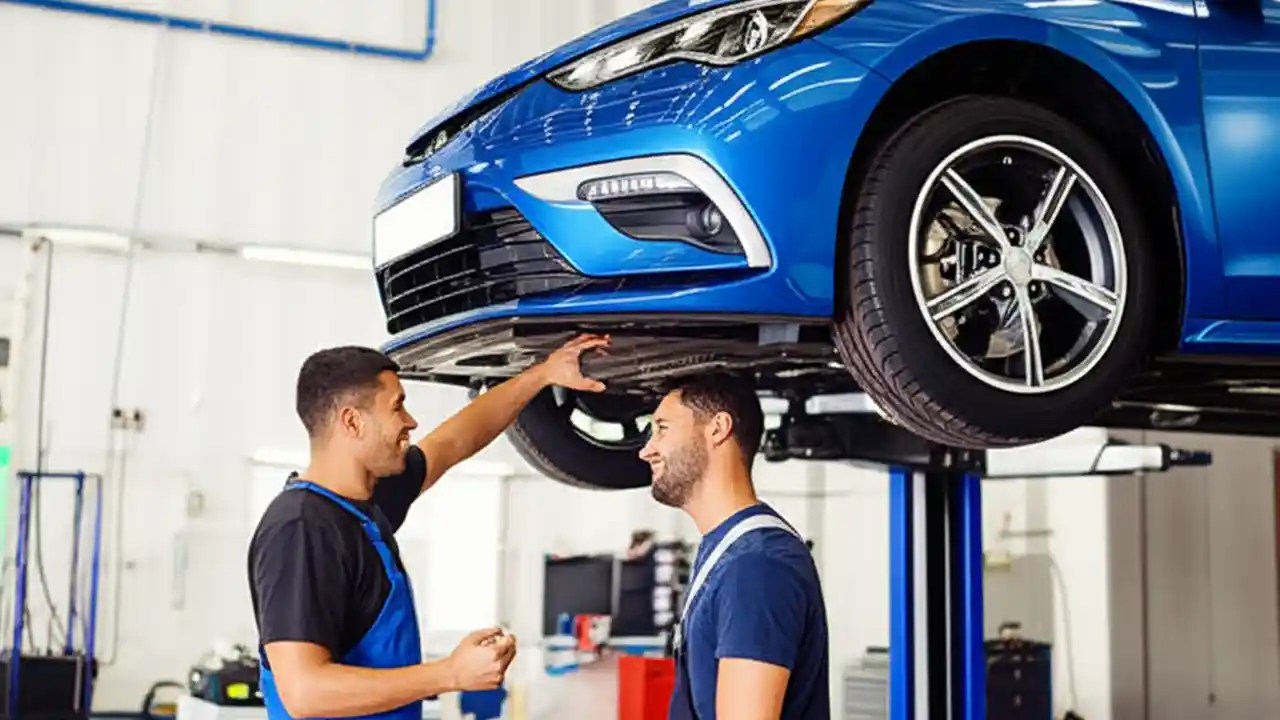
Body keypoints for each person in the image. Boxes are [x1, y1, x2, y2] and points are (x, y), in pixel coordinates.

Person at [247, 334, 610, 719]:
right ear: (352, 422)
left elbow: (454, 441)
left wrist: (543, 374)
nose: (410, 421)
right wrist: (450, 673)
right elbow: (305, 692)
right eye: (397, 407)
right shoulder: (303, 529)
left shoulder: (366, 505)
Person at [639, 373, 830, 720]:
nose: (646, 449)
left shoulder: (757, 567)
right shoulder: (729, 552)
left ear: (718, 428)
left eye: (662, 429)